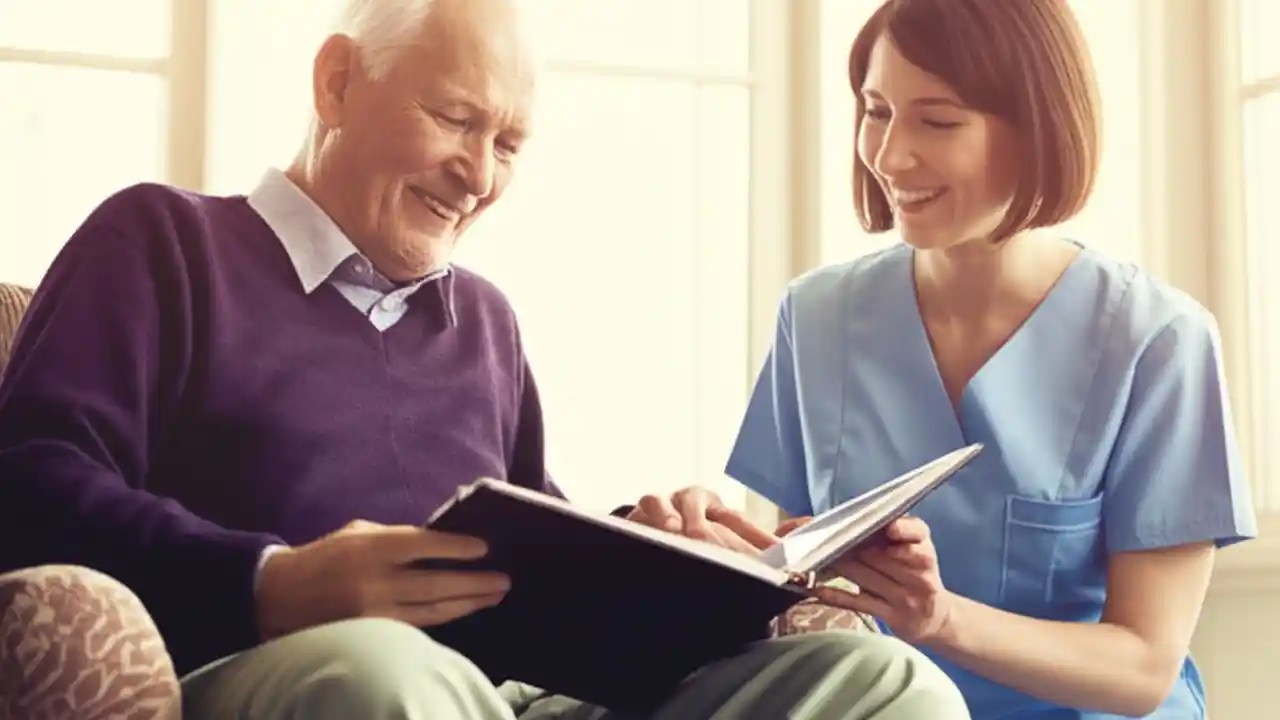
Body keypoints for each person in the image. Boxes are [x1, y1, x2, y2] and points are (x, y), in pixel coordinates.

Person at [0, 0, 972, 718]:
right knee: (390, 673)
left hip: (505, 695)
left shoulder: (486, 323)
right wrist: (270, 578)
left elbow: (530, 540)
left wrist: (663, 543)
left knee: (878, 683)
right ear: (336, 82)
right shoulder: (161, 242)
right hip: (290, 674)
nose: (480, 175)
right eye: (457, 121)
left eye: (507, 143)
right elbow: (31, 484)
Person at [678, 0, 1256, 718]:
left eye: (938, 120)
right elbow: (801, 589)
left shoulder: (1158, 341)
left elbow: (1142, 667)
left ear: (1039, 128)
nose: (890, 156)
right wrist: (708, 552)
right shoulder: (818, 316)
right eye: (877, 110)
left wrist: (939, 619)